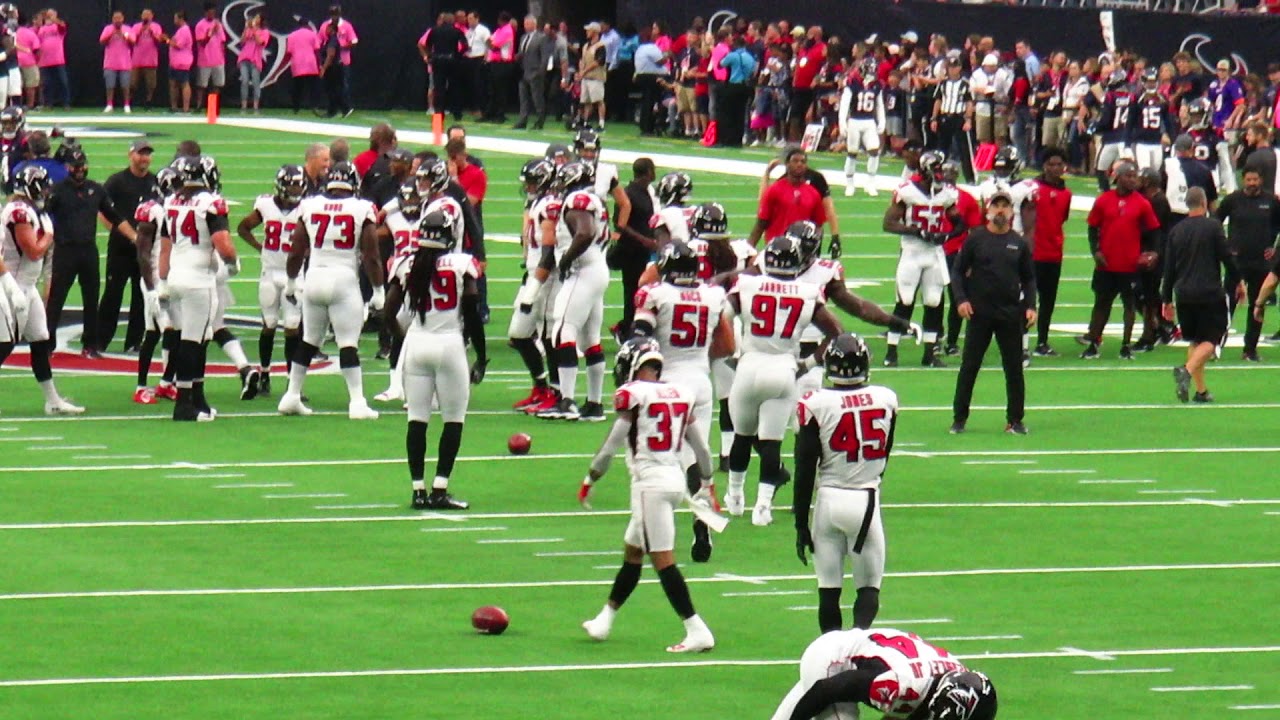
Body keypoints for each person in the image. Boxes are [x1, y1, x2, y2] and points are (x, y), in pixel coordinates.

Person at [577, 337, 717, 654]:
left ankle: (696, 629)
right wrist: (707, 482)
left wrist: (591, 477)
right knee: (633, 552)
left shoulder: (634, 395)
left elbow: (612, 445)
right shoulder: (681, 392)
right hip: (674, 479)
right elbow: (702, 448)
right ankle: (605, 619)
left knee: (662, 560)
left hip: (649, 484)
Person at [723, 235, 842, 526]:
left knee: (742, 435)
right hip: (783, 369)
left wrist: (732, 353)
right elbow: (836, 332)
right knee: (771, 440)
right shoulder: (807, 291)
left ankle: (735, 498)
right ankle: (762, 507)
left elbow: (721, 318)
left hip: (749, 364)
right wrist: (809, 362)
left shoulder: (748, 285)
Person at [631, 241, 732, 562]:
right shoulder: (713, 295)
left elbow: (641, 336)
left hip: (665, 383)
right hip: (700, 381)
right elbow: (727, 345)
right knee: (694, 456)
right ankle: (702, 519)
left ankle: (647, 528)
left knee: (653, 459)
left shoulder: (655, 294)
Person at [384, 210, 487, 510]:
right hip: (449, 343)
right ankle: (439, 488)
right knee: (453, 420)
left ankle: (418, 490)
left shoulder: (405, 263)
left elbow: (388, 313)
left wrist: (402, 339)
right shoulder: (461, 263)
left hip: (417, 341)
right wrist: (480, 355)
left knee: (417, 420)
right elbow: (471, 311)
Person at [793, 333, 895, 633]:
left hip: (828, 499)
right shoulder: (886, 398)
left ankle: (832, 657)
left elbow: (805, 467)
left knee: (828, 590)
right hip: (864, 498)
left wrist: (800, 522)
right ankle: (856, 647)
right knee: (868, 588)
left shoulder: (816, 403)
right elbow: (885, 454)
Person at [277, 162, 383, 419]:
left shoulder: (309, 205)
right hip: (343, 278)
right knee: (348, 343)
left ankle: (291, 395)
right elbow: (371, 255)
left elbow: (296, 249)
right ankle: (357, 402)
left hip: (314, 277)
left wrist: (292, 282)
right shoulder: (362, 208)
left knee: (309, 339)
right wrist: (378, 289)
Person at [153, 155, 238, 421]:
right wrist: (232, 262)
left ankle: (198, 399)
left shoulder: (171, 201)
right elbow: (222, 242)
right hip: (199, 278)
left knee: (198, 339)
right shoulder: (210, 203)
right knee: (192, 341)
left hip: (176, 275)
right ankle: (184, 405)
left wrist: (163, 282)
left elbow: (165, 248)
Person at [949, 191, 1037, 435]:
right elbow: (957, 272)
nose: (1000, 210)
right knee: (969, 366)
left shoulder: (1018, 243)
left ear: (1011, 211)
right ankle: (959, 418)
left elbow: (1029, 279)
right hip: (980, 314)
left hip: (1010, 314)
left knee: (1014, 369)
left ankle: (1015, 419)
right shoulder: (975, 239)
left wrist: (1031, 306)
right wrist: (961, 300)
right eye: (996, 205)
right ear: (988, 210)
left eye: (1005, 206)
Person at [769, 627, 998, 720]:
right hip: (832, 662)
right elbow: (826, 688)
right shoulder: (905, 685)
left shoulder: (954, 680)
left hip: (858, 654)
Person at [0, 165, 85, 415]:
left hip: (27, 285)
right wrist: (48, 234)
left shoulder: (29, 210)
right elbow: (34, 250)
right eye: (43, 186)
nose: (47, 191)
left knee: (40, 341)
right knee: (4, 346)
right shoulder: (18, 211)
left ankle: (53, 400)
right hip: (11, 288)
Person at [538, 161, 610, 422]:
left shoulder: (578, 201)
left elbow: (585, 232)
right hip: (597, 268)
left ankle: (566, 401)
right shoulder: (593, 200)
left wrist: (567, 259)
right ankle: (594, 403)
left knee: (562, 330)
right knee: (590, 339)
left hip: (583, 271)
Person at [44, 144, 131, 359]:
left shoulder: (95, 189)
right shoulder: (57, 190)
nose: (80, 169)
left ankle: (90, 344)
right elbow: (43, 216)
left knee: (91, 299)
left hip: (88, 250)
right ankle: (47, 344)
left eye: (82, 165)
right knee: (56, 298)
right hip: (65, 250)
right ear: (67, 167)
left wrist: (136, 238)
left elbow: (114, 215)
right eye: (75, 166)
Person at [882, 150, 966, 368]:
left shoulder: (946, 194)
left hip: (934, 254)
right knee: (905, 301)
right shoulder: (908, 191)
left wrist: (946, 235)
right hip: (912, 251)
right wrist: (916, 231)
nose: (940, 173)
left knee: (933, 301)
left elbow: (960, 223)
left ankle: (930, 354)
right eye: (937, 168)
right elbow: (889, 223)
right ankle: (891, 351)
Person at [236, 164, 305, 395]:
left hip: (293, 275)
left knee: (293, 327)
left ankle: (291, 382)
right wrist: (260, 247)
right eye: (291, 183)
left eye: (298, 183)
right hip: (270, 273)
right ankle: (265, 373)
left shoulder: (306, 208)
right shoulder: (265, 205)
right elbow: (243, 227)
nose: (295, 188)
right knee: (269, 324)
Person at [1081, 161, 1160, 360]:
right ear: (1119, 177)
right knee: (1101, 304)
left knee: (1130, 305)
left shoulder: (1142, 203)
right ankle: (1093, 341)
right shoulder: (1103, 200)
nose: (1133, 180)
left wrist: (1153, 253)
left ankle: (1125, 345)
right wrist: (1095, 251)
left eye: (1135, 176)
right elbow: (1092, 228)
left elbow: (1154, 231)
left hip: (1130, 264)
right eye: (1129, 176)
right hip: (1106, 264)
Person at [1164, 188, 1234, 404]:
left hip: (1183, 293)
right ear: (1204, 203)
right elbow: (1226, 257)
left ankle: (1201, 391)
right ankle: (1186, 371)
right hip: (1209, 292)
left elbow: (1169, 269)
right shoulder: (1213, 227)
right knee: (1212, 339)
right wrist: (1238, 280)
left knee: (1195, 340)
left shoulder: (1176, 231)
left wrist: (1166, 299)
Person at [508, 158, 559, 414]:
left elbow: (549, 252)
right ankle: (541, 386)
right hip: (533, 274)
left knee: (550, 336)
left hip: (546, 278)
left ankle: (557, 393)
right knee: (519, 334)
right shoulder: (538, 203)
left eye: (531, 182)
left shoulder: (550, 205)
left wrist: (533, 287)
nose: (528, 186)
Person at [1214, 169, 1280, 362]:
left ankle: (1250, 349)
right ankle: (1216, 345)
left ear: (1261, 180)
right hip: (1237, 263)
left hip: (1261, 263)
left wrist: (1274, 247)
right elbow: (1216, 221)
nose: (1252, 183)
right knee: (1228, 304)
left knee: (1257, 305)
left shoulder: (1271, 201)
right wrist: (1226, 246)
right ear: (1243, 180)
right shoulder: (1233, 200)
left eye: (1255, 179)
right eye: (1249, 179)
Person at [99, 139, 158, 354]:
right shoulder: (117, 181)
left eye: (147, 154)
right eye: (141, 153)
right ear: (130, 154)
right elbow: (102, 210)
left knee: (141, 295)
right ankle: (101, 339)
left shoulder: (155, 182)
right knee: (113, 293)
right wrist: (119, 232)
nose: (144, 158)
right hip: (121, 247)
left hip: (146, 249)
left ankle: (134, 341)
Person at [1031, 147, 1072, 356]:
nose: (1056, 168)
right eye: (1051, 164)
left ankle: (1042, 340)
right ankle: (1018, 339)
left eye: (1059, 164)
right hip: (1033, 252)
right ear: (1044, 166)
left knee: (1048, 300)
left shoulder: (1067, 194)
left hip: (1053, 253)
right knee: (1026, 299)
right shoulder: (1032, 189)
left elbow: (1061, 219)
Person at [613, 157, 657, 337]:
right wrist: (643, 239)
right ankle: (626, 328)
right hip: (631, 251)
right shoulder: (629, 193)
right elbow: (619, 223)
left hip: (643, 251)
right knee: (632, 291)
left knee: (641, 290)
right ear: (648, 172)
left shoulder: (646, 192)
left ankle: (630, 326)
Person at [749, 147, 825, 247]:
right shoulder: (774, 190)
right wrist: (749, 248)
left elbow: (817, 225)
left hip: (801, 248)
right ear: (787, 164)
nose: (799, 164)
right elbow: (761, 223)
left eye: (803, 161)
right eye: (795, 161)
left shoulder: (813, 193)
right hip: (777, 246)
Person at [838, 58, 886, 198]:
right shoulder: (852, 83)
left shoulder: (877, 85)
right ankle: (850, 183)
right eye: (870, 69)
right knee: (852, 153)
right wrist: (842, 122)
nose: (872, 72)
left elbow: (879, 105)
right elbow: (844, 104)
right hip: (854, 121)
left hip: (869, 121)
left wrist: (881, 121)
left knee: (874, 150)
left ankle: (870, 182)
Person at [929, 57, 974, 183]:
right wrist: (934, 118)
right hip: (944, 117)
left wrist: (968, 120)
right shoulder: (942, 84)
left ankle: (970, 178)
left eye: (955, 67)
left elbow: (969, 102)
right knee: (942, 149)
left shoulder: (965, 84)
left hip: (959, 117)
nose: (952, 69)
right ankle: (937, 174)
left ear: (959, 68)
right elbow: (938, 100)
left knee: (964, 149)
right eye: (950, 67)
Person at [420, 11, 464, 120]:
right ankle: (456, 112)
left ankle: (439, 111)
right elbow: (465, 45)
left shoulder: (434, 30)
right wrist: (458, 55)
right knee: (455, 86)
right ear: (452, 21)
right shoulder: (457, 31)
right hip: (452, 60)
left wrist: (430, 56)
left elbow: (426, 44)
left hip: (438, 61)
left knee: (439, 87)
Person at [317, 4, 358, 118]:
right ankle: (334, 109)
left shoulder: (346, 26)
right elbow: (319, 40)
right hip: (331, 62)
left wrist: (343, 46)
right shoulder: (325, 26)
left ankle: (345, 107)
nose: (334, 17)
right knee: (331, 87)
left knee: (340, 86)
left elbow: (354, 41)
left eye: (336, 14)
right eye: (332, 14)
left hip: (341, 62)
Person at [513, 15, 552, 130]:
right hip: (523, 71)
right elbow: (522, 52)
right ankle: (523, 120)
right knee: (523, 97)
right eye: (525, 24)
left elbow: (544, 57)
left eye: (527, 24)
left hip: (535, 72)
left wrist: (541, 72)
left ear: (534, 24)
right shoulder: (523, 37)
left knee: (537, 98)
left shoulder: (541, 37)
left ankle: (540, 120)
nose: (525, 26)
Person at [193, 2, 226, 112]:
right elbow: (201, 43)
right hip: (205, 60)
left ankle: (213, 107)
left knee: (217, 85)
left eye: (214, 12)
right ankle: (199, 106)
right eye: (210, 12)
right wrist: (210, 34)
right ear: (206, 12)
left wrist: (222, 56)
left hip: (218, 60)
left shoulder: (218, 24)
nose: (212, 14)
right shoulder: (200, 25)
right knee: (202, 85)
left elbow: (223, 41)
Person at [484, 12, 516, 122]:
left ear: (501, 20)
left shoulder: (507, 30)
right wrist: (489, 43)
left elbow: (493, 45)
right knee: (493, 90)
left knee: (501, 90)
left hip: (503, 63)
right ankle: (491, 113)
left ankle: (500, 114)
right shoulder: (499, 30)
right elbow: (489, 42)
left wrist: (489, 43)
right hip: (495, 63)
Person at [99, 11, 134, 113]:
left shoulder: (127, 29)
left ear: (123, 19)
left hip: (125, 63)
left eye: (119, 18)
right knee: (110, 85)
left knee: (125, 85)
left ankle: (126, 105)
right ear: (112, 19)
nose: (117, 20)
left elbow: (133, 42)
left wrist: (124, 35)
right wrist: (111, 34)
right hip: (110, 62)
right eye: (115, 18)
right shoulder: (108, 29)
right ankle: (109, 104)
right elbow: (102, 42)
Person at [284, 15, 319, 114]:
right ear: (307, 25)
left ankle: (296, 108)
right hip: (311, 64)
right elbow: (316, 50)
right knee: (313, 88)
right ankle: (314, 106)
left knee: (297, 88)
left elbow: (289, 51)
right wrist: (319, 64)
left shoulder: (292, 35)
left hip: (297, 64)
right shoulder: (312, 34)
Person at [129, 9, 162, 110]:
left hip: (151, 61)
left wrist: (152, 33)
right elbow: (133, 41)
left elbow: (159, 41)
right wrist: (140, 31)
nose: (146, 17)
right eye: (144, 15)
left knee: (151, 85)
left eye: (148, 15)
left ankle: (148, 102)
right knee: (133, 83)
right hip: (137, 61)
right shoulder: (136, 27)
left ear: (152, 16)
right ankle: (128, 102)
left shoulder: (156, 27)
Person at [36, 8, 68, 109]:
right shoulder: (41, 28)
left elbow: (63, 27)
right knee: (46, 84)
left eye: (51, 14)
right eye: (48, 14)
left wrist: (55, 20)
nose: (49, 16)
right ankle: (48, 104)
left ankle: (66, 103)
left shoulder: (58, 26)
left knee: (63, 82)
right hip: (44, 61)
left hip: (58, 60)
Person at [236, 13, 267, 113]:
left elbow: (260, 42)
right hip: (244, 58)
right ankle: (244, 105)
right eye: (255, 17)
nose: (255, 19)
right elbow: (242, 42)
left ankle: (255, 105)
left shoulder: (264, 32)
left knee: (255, 82)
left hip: (255, 59)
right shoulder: (248, 30)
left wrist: (254, 30)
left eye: (257, 17)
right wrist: (246, 28)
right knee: (244, 81)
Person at [578, 22, 607, 131]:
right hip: (586, 78)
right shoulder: (586, 46)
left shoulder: (601, 46)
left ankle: (601, 123)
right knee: (586, 101)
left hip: (596, 77)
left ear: (595, 32)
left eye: (589, 30)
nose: (587, 32)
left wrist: (584, 71)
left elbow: (599, 61)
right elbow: (582, 60)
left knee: (599, 100)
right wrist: (581, 71)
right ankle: (585, 122)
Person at [167, 10, 193, 113]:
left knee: (184, 84)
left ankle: (186, 108)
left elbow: (178, 45)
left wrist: (167, 40)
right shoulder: (180, 30)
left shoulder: (184, 30)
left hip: (182, 62)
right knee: (173, 84)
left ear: (181, 19)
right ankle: (174, 107)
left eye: (175, 18)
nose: (174, 20)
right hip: (174, 62)